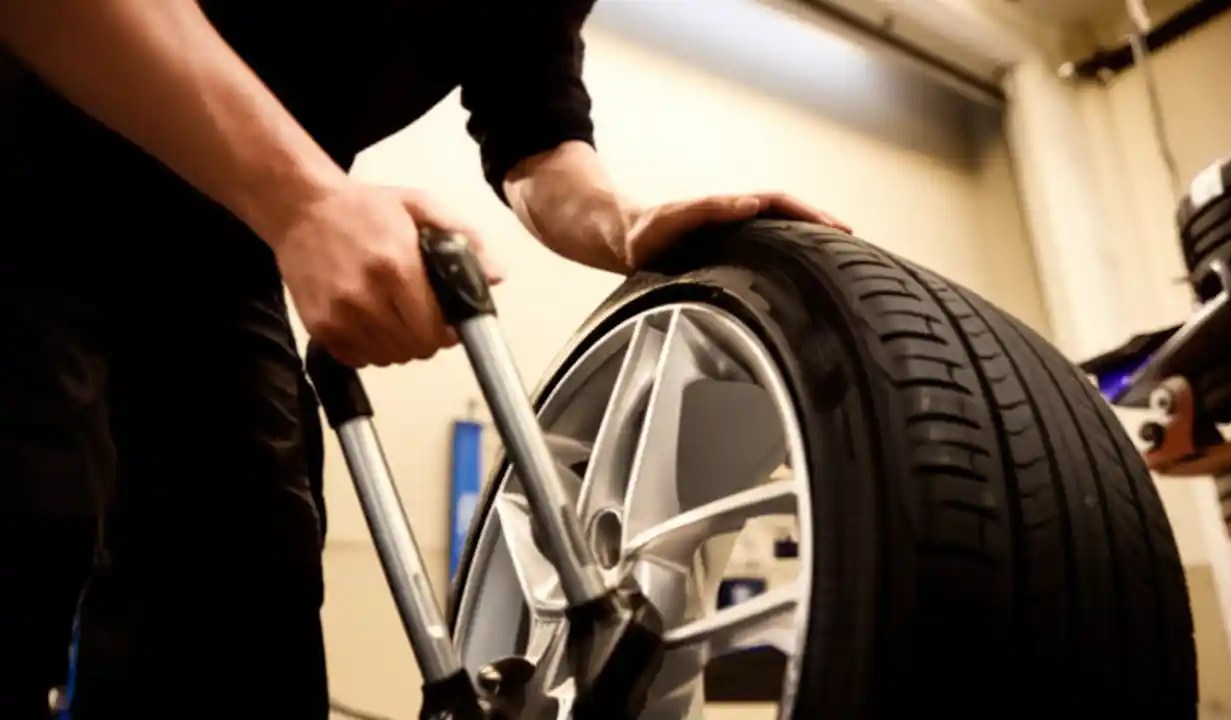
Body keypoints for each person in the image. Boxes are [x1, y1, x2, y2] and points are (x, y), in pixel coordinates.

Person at [0, 1, 848, 716]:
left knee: (246, 591)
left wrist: (623, 223)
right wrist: (302, 200)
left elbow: (538, 132)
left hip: (215, 252)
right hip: (22, 158)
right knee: (32, 505)